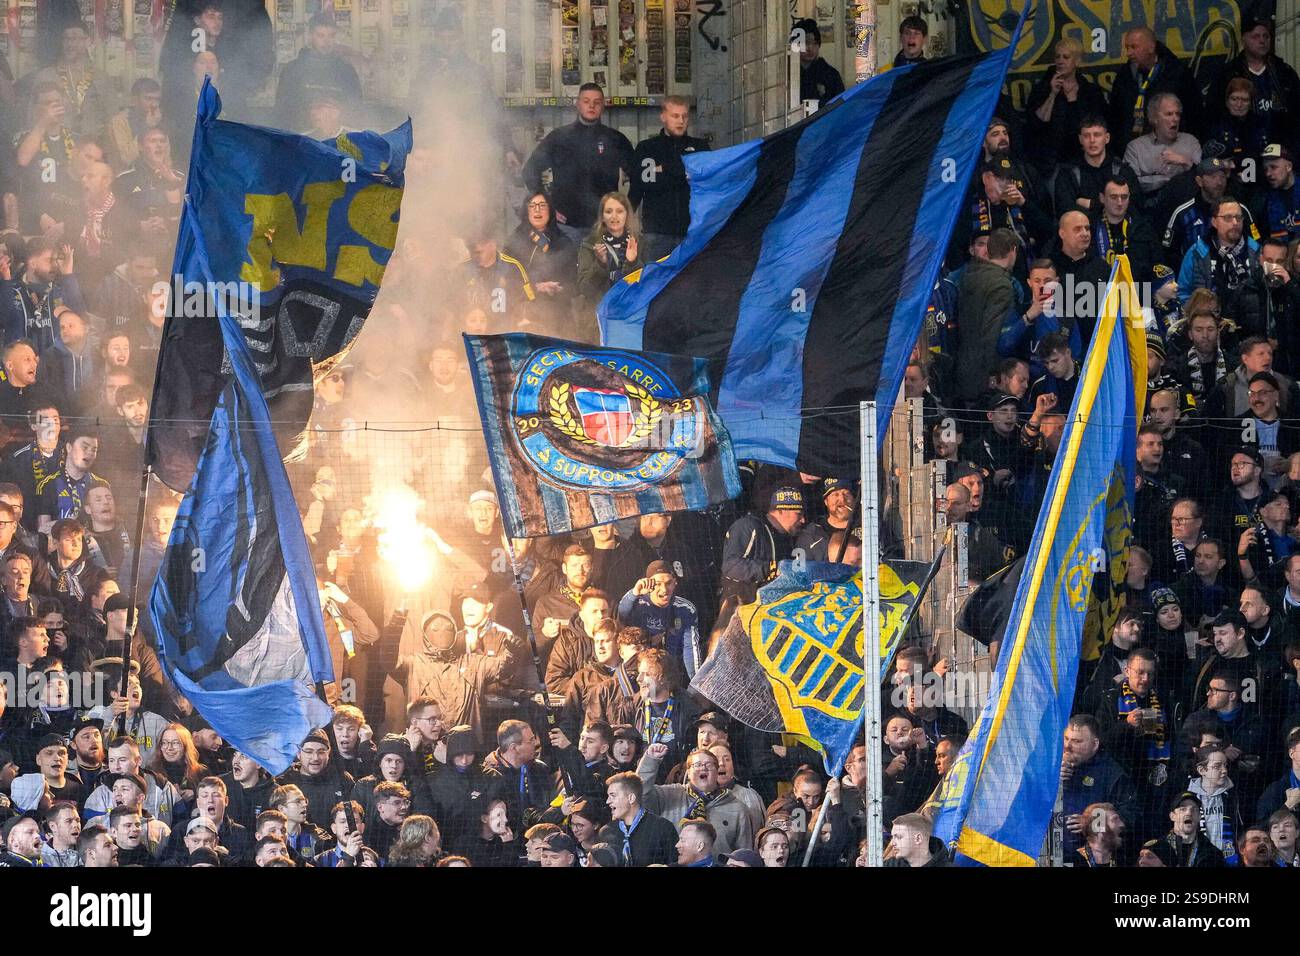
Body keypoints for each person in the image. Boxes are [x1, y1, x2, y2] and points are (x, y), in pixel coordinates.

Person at [522, 83, 634, 241]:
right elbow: (529, 172)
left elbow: (639, 179)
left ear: (603, 105)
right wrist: (548, 207)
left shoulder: (616, 139)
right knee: (566, 266)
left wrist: (625, 211)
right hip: (566, 227)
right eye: (586, 101)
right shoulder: (558, 138)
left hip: (605, 226)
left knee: (605, 266)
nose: (591, 106)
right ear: (578, 104)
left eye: (597, 102)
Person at [628, 95, 710, 262]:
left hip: (693, 232)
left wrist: (663, 169)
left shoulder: (701, 147)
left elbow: (707, 182)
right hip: (657, 234)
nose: (681, 120)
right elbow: (641, 185)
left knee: (690, 285)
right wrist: (685, 170)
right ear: (663, 117)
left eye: (685, 116)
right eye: (675, 116)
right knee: (656, 285)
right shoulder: (647, 148)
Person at [273, 12, 361, 133]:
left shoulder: (346, 71)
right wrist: (310, 112)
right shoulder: (292, 70)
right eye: (321, 35)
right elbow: (281, 112)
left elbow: (357, 110)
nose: (326, 41)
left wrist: (338, 111)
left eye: (331, 35)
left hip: (337, 141)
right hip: (301, 139)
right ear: (310, 36)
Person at [617, 561, 702, 678]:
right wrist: (634, 593)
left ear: (675, 583)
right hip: (637, 671)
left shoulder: (685, 608)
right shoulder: (636, 603)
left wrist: (695, 684)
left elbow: (690, 648)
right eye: (657, 584)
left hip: (669, 672)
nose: (664, 589)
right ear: (648, 584)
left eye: (668, 583)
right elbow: (621, 614)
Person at [599, 770, 678, 866]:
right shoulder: (607, 832)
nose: (608, 801)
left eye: (613, 796)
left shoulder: (663, 828)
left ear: (631, 798)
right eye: (608, 796)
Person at [1162, 790, 1227, 866]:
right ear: (1172, 816)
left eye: (1194, 809)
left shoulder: (1213, 854)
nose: (1189, 813)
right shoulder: (1156, 850)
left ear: (1199, 816)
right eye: (1183, 809)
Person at [790, 18, 844, 110]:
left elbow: (840, 106)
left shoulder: (830, 75)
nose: (810, 48)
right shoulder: (787, 74)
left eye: (814, 43)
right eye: (805, 43)